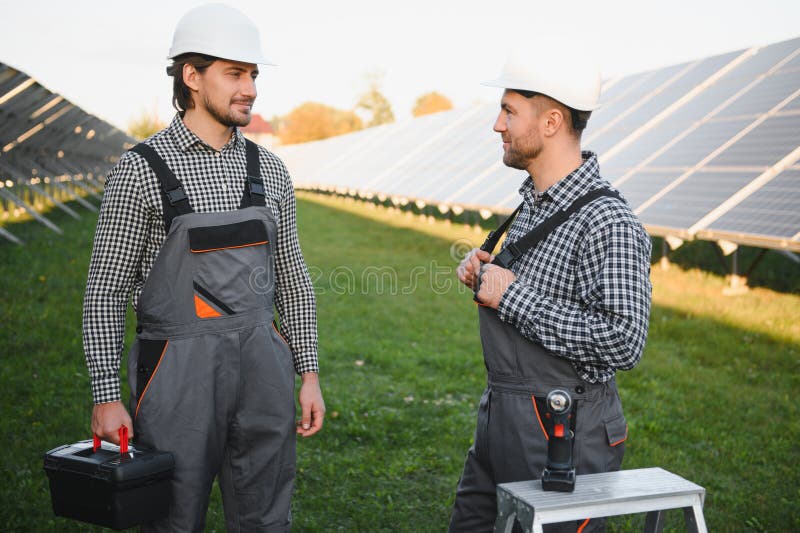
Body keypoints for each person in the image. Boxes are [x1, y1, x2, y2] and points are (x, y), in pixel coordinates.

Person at [82, 4, 324, 530]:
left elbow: (293, 276)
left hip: (264, 370)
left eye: (253, 74)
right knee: (171, 516)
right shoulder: (140, 171)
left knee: (265, 517)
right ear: (191, 76)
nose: (251, 88)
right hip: (176, 377)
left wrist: (308, 373)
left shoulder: (271, 169)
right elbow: (104, 292)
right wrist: (105, 394)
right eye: (235, 73)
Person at [450, 40, 652, 532]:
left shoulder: (607, 221)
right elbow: (527, 295)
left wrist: (511, 296)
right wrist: (485, 276)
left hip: (563, 434)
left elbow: (623, 340)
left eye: (508, 111)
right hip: (503, 418)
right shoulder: (534, 206)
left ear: (551, 122)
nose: (497, 124)